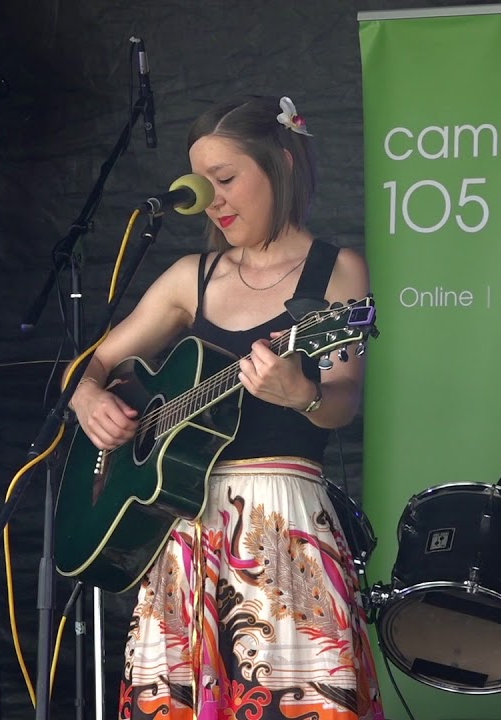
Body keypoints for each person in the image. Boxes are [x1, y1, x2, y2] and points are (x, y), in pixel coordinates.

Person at [68, 95, 383, 720]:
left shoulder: (335, 271)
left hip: (282, 526)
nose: (214, 200)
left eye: (228, 179)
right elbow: (91, 365)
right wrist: (86, 398)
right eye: (200, 183)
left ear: (285, 163)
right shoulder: (194, 276)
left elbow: (343, 398)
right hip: (183, 530)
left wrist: (305, 395)